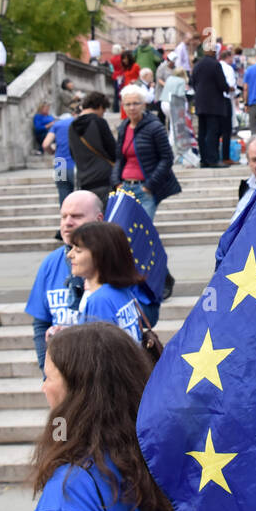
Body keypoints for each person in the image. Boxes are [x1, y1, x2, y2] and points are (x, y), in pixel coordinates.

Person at [17, 322, 185, 511]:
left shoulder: (72, 495)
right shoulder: (165, 460)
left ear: (77, 392)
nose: (43, 387)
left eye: (47, 377)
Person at [26, 190, 103, 370]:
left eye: (76, 216)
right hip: (64, 375)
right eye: (63, 216)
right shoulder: (50, 264)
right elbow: (40, 323)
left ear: (99, 219)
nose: (67, 223)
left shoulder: (116, 263)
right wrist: (48, 373)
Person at [65, 221, 155, 331]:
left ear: (99, 255)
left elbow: (96, 346)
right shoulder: (122, 290)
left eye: (78, 250)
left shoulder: (100, 301)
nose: (69, 255)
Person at [112, 84, 182, 221]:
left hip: (145, 187)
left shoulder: (155, 127)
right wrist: (116, 182)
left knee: (142, 231)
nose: (132, 108)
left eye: (136, 103)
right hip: (125, 186)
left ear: (143, 104)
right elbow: (119, 158)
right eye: (128, 104)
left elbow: (167, 158)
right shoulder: (123, 128)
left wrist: (150, 185)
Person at [68, 92, 118, 206]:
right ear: (100, 106)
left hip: (84, 180)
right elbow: (112, 150)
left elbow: (72, 153)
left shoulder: (72, 126)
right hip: (104, 178)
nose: (103, 114)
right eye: (103, 111)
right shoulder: (98, 121)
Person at [191, 47, 230, 169]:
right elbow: (222, 84)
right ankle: (213, 159)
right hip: (213, 104)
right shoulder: (215, 65)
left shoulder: (197, 65)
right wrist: (228, 88)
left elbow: (192, 82)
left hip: (200, 103)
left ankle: (204, 159)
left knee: (202, 133)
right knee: (212, 132)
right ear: (213, 52)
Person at [43, 113, 77, 206]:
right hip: (74, 163)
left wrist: (52, 151)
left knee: (63, 196)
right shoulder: (76, 122)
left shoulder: (56, 125)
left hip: (59, 164)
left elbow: (45, 144)